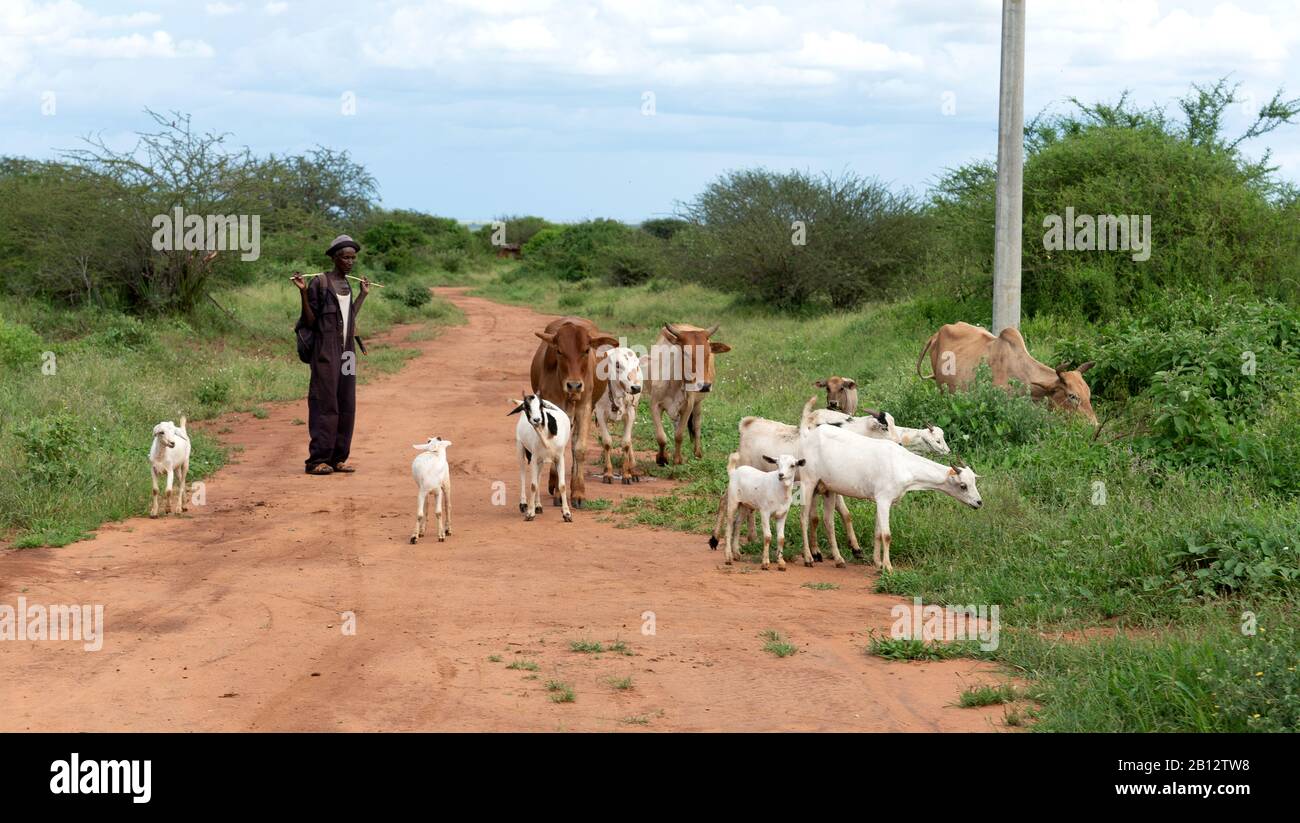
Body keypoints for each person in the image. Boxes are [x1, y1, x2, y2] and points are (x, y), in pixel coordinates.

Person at [292, 235, 370, 475]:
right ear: (335, 258)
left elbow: (349, 318)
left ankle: (338, 458)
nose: (350, 262)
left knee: (347, 402)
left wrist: (363, 295)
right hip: (325, 350)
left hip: (347, 351)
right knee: (325, 403)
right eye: (346, 257)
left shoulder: (348, 284)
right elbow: (310, 320)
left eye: (353, 258)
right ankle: (317, 460)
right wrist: (303, 294)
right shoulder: (320, 283)